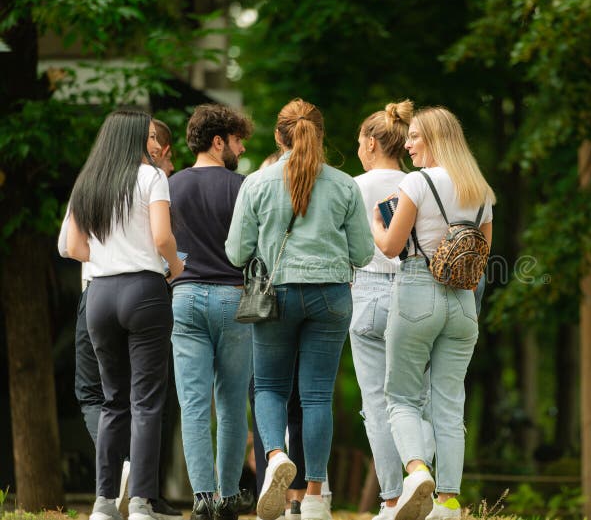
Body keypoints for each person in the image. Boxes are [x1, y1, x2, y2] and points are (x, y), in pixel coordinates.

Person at [226, 98, 373, 520]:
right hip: (330, 298)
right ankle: (312, 498)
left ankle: (274, 456)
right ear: (320, 135)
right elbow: (363, 253)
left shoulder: (257, 184)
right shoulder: (345, 185)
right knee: (316, 396)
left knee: (270, 388)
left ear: (278, 136)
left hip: (278, 294)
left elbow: (237, 251)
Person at [371, 107, 495, 520]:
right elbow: (481, 257)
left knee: (402, 397)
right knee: (449, 404)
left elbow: (390, 246)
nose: (408, 144)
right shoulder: (481, 190)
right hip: (463, 303)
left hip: (417, 292)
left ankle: (417, 470)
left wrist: (376, 220)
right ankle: (449, 502)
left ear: (438, 139)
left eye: (416, 137)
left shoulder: (417, 182)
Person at [58, 120, 183, 520]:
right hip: (144, 291)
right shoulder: (150, 177)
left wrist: (109, 259)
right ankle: (143, 503)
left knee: (112, 401)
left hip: (99, 294)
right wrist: (176, 266)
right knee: (146, 402)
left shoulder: (88, 181)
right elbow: (162, 237)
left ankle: (104, 503)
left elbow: (73, 246)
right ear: (135, 140)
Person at [168, 104, 254, 520]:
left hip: (185, 298)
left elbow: (161, 242)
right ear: (218, 141)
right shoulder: (243, 187)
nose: (238, 149)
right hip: (233, 299)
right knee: (233, 404)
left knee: (194, 404)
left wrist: (178, 272)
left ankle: (202, 497)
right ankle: (229, 497)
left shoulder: (171, 185)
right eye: (235, 141)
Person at [348, 100, 431, 520]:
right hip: (415, 293)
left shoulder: (353, 187)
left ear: (371, 143)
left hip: (367, 293)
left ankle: (392, 498)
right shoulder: (419, 184)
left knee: (377, 403)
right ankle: (427, 479)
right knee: (417, 399)